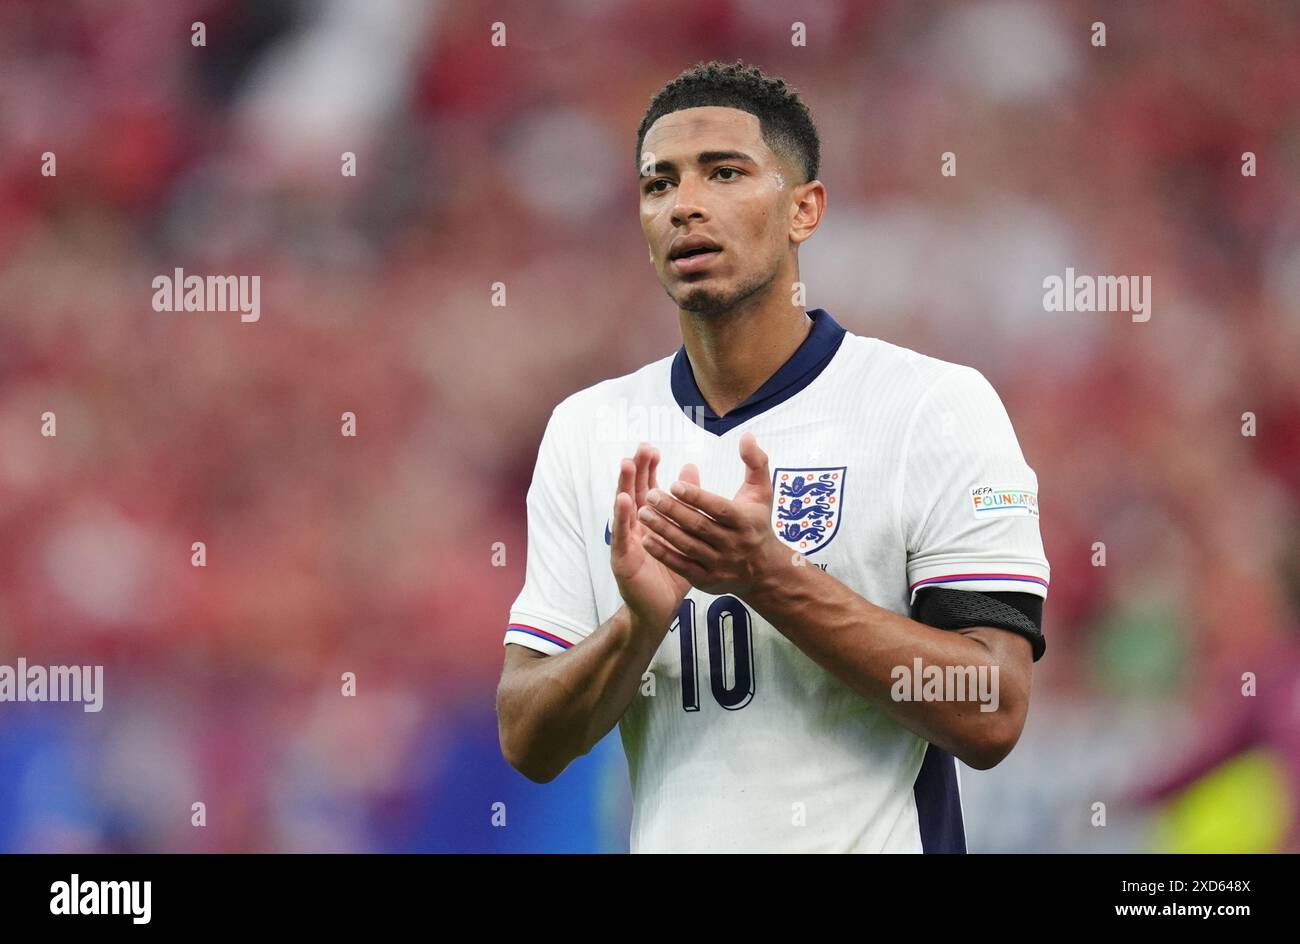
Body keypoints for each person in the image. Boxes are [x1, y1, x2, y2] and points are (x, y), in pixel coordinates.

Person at [495, 60, 1049, 853]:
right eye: (659, 185)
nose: (685, 205)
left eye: (724, 174)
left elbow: (993, 709)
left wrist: (771, 579)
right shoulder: (588, 430)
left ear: (804, 210)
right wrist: (635, 629)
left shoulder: (935, 407)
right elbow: (527, 739)